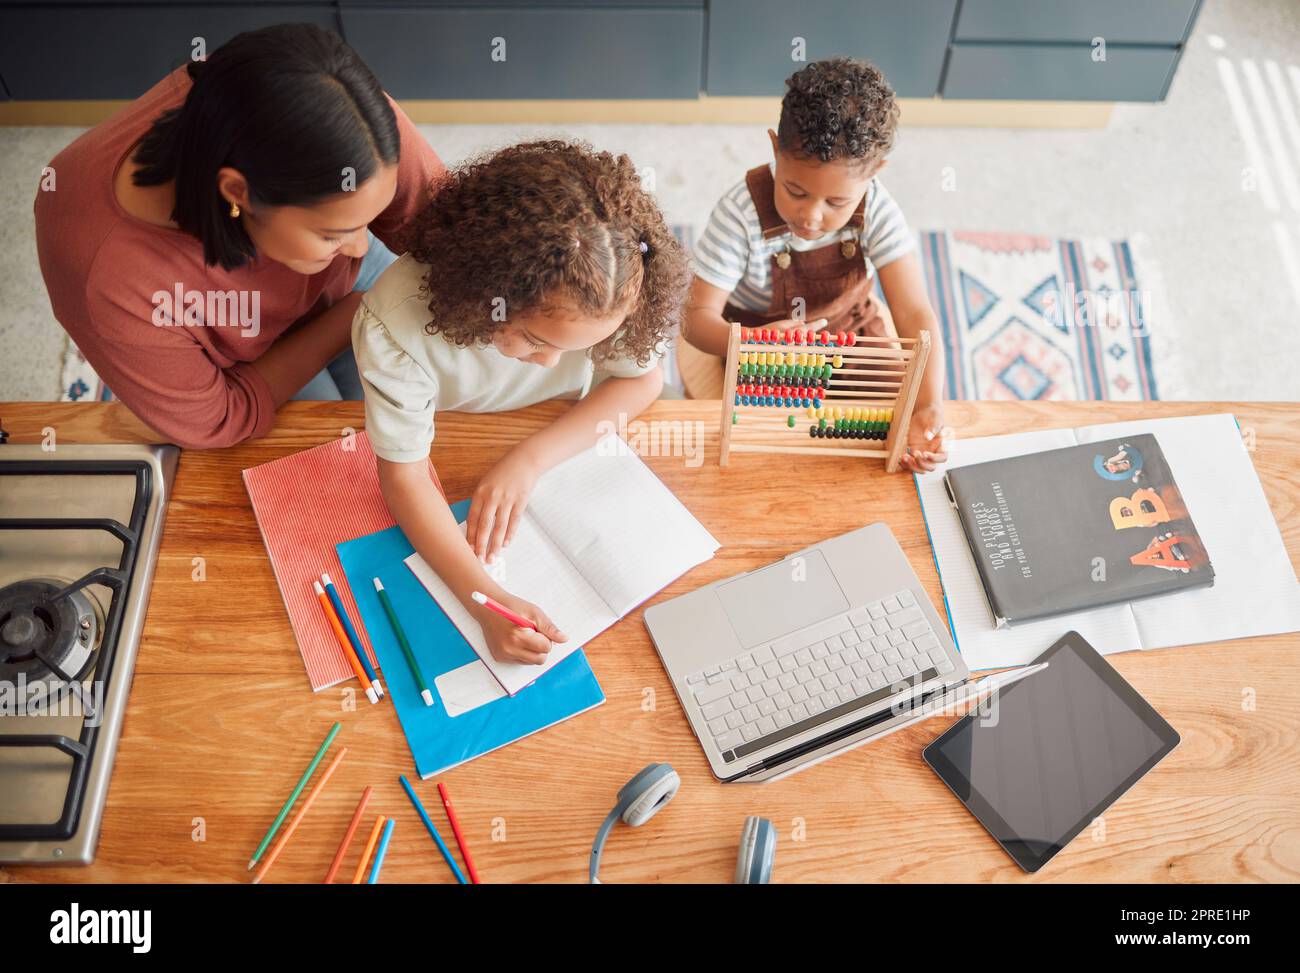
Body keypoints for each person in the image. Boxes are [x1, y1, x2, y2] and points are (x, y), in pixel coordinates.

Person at [34, 23, 444, 447]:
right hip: (246, 364)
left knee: (422, 407)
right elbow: (221, 418)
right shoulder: (104, 274)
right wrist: (362, 310)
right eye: (333, 233)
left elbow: (449, 229)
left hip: (330, 298)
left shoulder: (334, 110)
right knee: (337, 451)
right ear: (237, 192)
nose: (365, 247)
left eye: (370, 219)